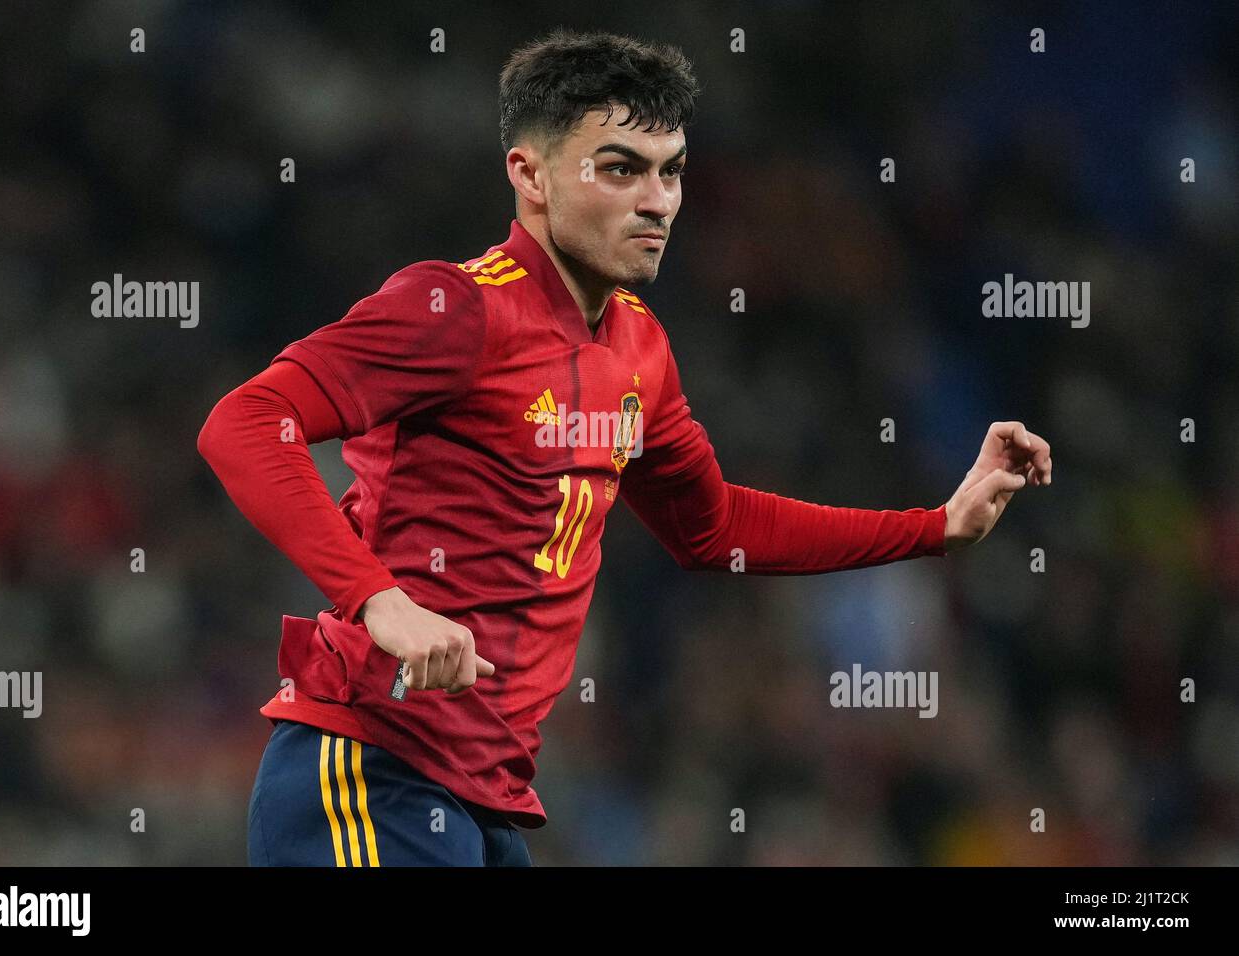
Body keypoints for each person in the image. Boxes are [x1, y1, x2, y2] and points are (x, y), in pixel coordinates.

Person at [197, 28, 1053, 867]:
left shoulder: (640, 349)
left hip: (481, 798)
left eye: (670, 170)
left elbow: (715, 530)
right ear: (529, 175)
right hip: (368, 765)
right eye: (619, 168)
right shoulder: (456, 309)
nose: (658, 200)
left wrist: (933, 526)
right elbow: (244, 421)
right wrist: (378, 601)